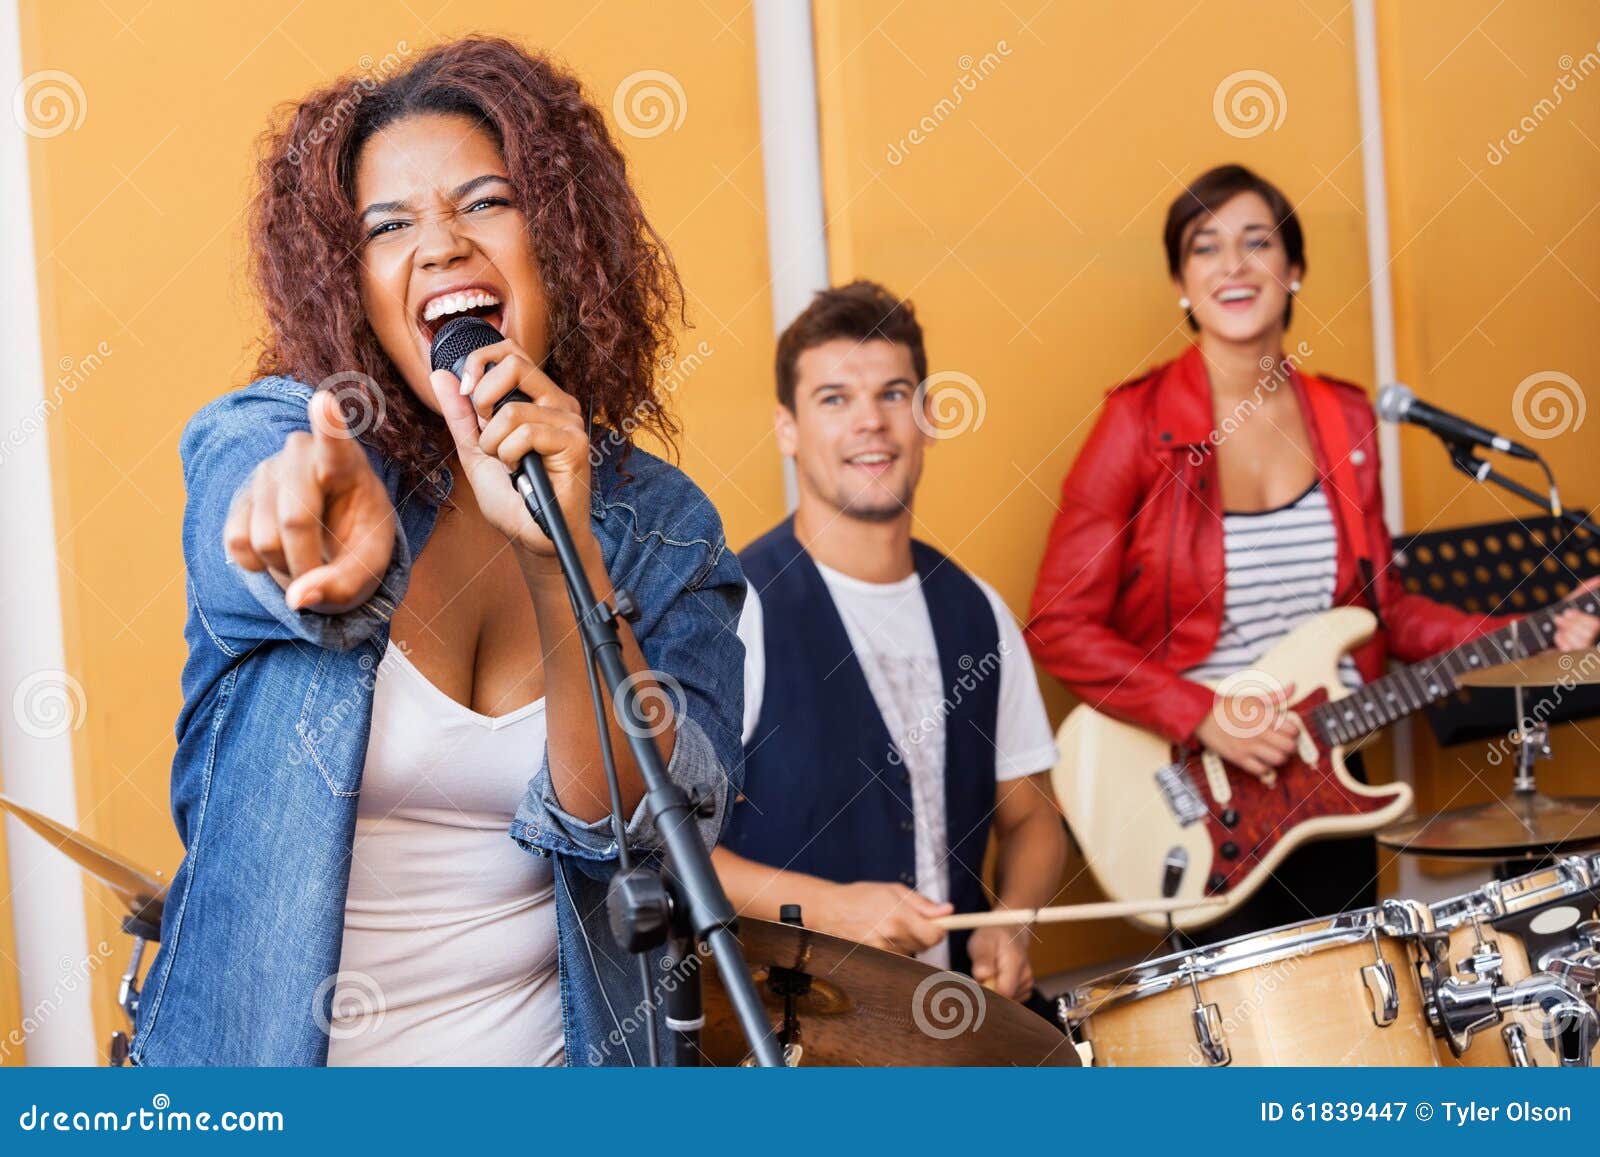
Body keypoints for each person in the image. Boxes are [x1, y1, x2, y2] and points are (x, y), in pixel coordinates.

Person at [131, 37, 745, 1067]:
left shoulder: (662, 524)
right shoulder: (291, 433)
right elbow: (251, 490)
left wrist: (561, 557)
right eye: (388, 225)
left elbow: (645, 829)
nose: (442, 245)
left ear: (560, 238)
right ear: (353, 283)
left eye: (486, 203)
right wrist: (317, 516)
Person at [1027, 163, 1600, 940]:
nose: (1233, 264)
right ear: (1181, 283)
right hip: (1197, 801)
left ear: (1293, 269)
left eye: (1256, 241)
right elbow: (1059, 623)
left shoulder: (1346, 418)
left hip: (1333, 776)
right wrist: (1205, 716)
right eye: (1206, 246)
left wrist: (1534, 629)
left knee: (1360, 1020)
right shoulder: (1136, 424)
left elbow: (1385, 612)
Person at [713, 281, 1067, 1000]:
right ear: (788, 429)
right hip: (789, 1048)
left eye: (893, 393)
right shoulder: (735, 610)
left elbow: (1033, 816)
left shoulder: (979, 611)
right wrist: (831, 909)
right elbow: (666, 851)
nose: (869, 422)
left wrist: (1012, 918)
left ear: (928, 417)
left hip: (956, 1038)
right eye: (835, 398)